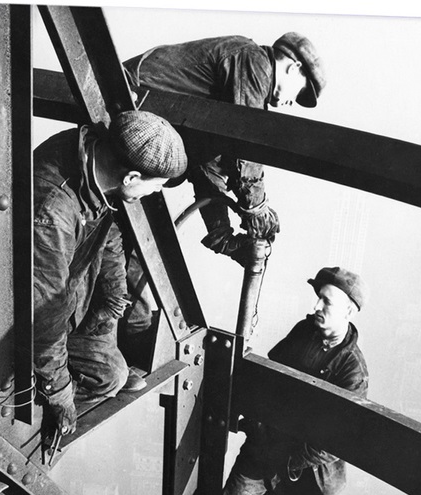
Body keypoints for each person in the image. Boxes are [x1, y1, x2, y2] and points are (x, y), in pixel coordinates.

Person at [0, 110, 188, 443]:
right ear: (131, 178)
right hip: (0, 329)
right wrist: (59, 391)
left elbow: (108, 231)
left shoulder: (89, 156)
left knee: (112, 375)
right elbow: (42, 316)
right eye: (156, 186)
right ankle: (28, 428)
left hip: (49, 305)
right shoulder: (51, 212)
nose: (155, 193)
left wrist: (113, 299)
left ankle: (41, 408)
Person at [168, 267, 369, 495]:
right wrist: (257, 419)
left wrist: (294, 460)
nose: (317, 306)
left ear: (349, 312)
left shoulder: (353, 373)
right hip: (267, 448)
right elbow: (270, 373)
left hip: (304, 471)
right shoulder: (303, 332)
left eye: (327, 301)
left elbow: (334, 439)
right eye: (318, 297)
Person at [119, 31, 326, 345]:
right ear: (293, 67)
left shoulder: (228, 92)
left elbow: (210, 166)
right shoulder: (254, 60)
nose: (290, 104)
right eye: (298, 94)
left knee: (124, 255)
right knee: (118, 250)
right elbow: (243, 144)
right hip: (131, 120)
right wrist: (256, 207)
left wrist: (224, 236)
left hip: (140, 136)